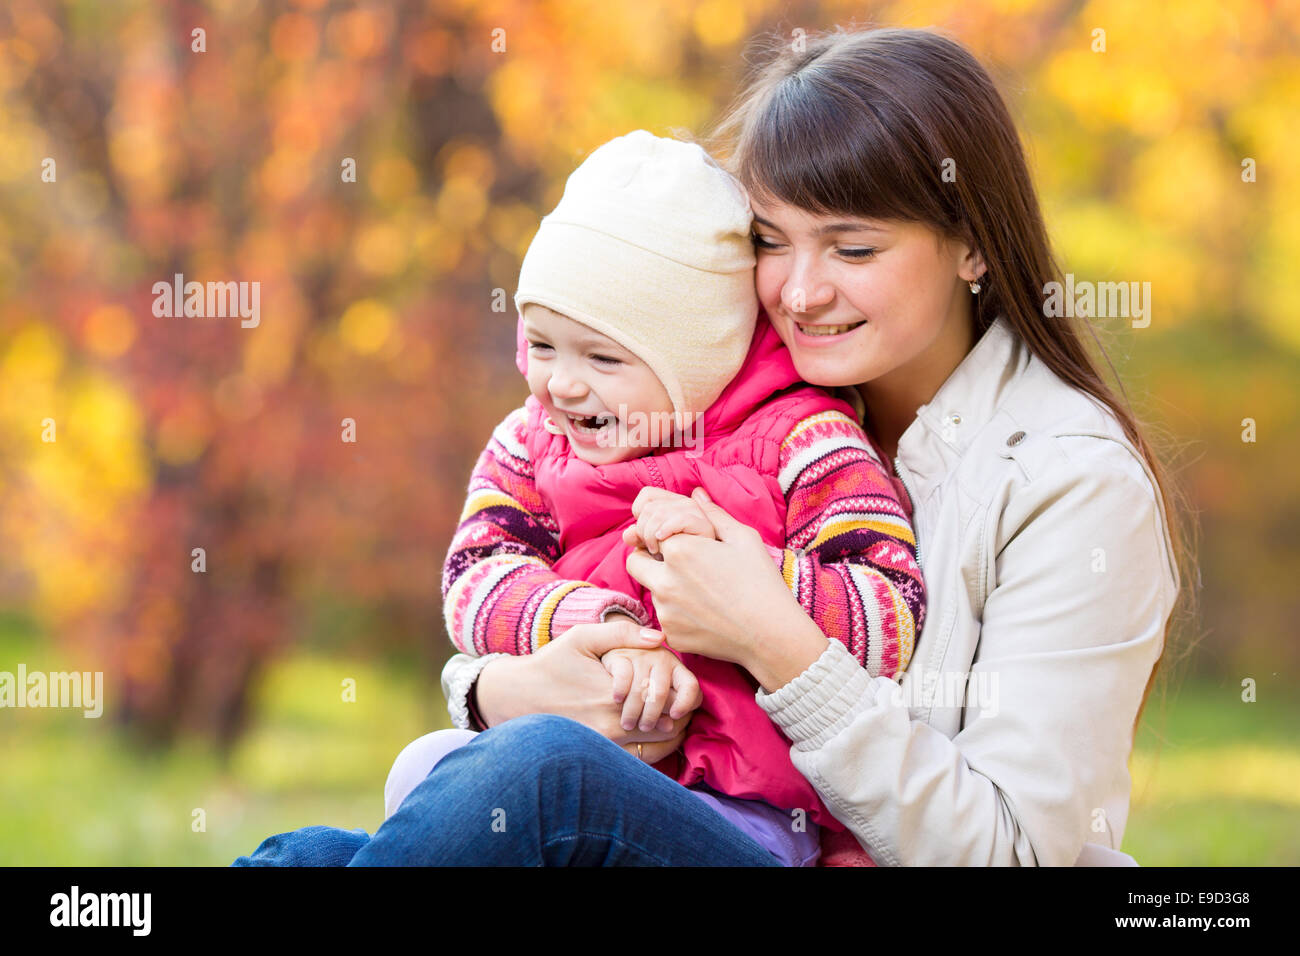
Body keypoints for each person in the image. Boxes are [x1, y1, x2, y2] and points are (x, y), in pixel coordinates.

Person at [234, 25, 1181, 868]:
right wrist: (505, 688)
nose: (800, 291)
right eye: (773, 241)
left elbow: (1013, 853)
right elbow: (524, 567)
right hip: (677, 806)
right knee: (310, 852)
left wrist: (774, 635)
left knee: (544, 778)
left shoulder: (1070, 481)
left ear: (973, 246)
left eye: (853, 250)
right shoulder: (713, 392)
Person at [378, 128, 924, 867]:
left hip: (741, 810)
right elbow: (475, 580)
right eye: (542, 345)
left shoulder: (804, 441)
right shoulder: (531, 441)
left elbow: (890, 609)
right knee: (401, 782)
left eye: (603, 357)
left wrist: (750, 579)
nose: (562, 384)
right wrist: (603, 625)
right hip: (572, 750)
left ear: (700, 359)